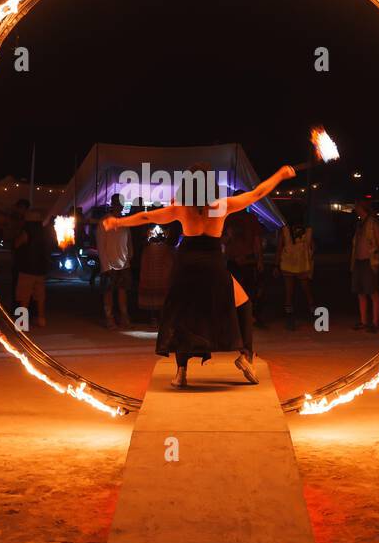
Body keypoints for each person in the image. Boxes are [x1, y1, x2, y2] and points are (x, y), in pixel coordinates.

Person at [102, 162, 296, 388]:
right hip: (213, 268)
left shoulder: (182, 209)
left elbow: (147, 218)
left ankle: (181, 371)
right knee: (244, 303)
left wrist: (118, 221)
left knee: (182, 315)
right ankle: (246, 356)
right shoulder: (220, 206)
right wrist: (280, 174)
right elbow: (258, 193)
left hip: (186, 268)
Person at [224, 197, 265, 327]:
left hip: (235, 259)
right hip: (246, 259)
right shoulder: (251, 219)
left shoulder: (228, 218)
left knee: (236, 290)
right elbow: (257, 242)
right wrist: (260, 260)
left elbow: (221, 240)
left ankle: (238, 317)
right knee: (248, 289)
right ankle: (248, 316)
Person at [97, 194, 133, 329]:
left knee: (122, 291)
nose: (119, 205)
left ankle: (124, 316)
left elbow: (128, 241)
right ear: (113, 204)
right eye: (117, 203)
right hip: (109, 264)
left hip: (124, 263)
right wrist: (105, 264)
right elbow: (100, 245)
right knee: (108, 292)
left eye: (121, 203)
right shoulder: (104, 221)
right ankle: (109, 318)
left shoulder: (125, 221)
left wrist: (129, 256)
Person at [277, 211, 315, 331]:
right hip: (303, 264)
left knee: (289, 292)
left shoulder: (284, 230)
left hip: (288, 264)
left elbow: (279, 248)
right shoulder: (308, 230)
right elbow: (313, 247)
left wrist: (276, 265)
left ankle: (290, 319)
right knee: (307, 290)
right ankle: (315, 313)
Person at [350, 197, 379, 332]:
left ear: (362, 208)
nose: (355, 209)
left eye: (357, 206)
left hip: (369, 262)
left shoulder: (373, 223)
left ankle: (375, 323)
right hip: (358, 261)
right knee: (361, 292)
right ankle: (364, 321)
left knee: (373, 292)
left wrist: (373, 251)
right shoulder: (360, 224)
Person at [13, 211, 50, 329]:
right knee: (40, 297)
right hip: (40, 269)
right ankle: (41, 319)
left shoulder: (26, 232)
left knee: (23, 296)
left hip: (27, 269)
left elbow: (16, 244)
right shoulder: (44, 232)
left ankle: (22, 322)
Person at [137, 225, 174, 329]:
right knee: (153, 296)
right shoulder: (148, 247)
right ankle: (155, 319)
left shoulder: (166, 247)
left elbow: (169, 261)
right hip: (153, 272)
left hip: (162, 274)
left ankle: (161, 318)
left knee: (162, 296)